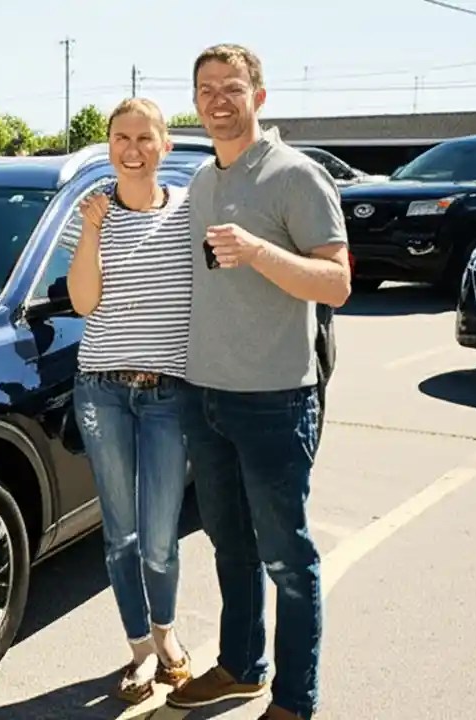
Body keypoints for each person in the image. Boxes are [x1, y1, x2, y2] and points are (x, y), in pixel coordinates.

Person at [165, 44, 350, 720]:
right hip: (206, 396)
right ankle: (241, 666)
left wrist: (260, 250)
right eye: (206, 88)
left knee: (287, 559)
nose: (218, 99)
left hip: (275, 401)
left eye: (232, 87)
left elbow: (337, 281)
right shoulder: (202, 183)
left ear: (259, 98)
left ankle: (294, 700)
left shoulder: (295, 177)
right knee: (230, 547)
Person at [66, 97, 195, 704]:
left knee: (161, 534)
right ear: (109, 145)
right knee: (120, 534)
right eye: (122, 137)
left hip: (169, 393)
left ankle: (167, 635)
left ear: (165, 145)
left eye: (146, 137)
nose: (134, 147)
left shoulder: (189, 211)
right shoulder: (89, 214)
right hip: (102, 391)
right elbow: (85, 303)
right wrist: (92, 228)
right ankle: (140, 649)